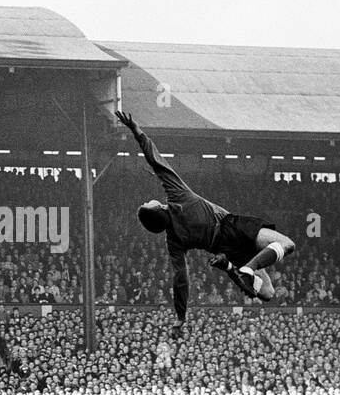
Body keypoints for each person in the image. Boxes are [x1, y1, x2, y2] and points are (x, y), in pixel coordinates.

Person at [115, 110, 296, 320]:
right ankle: (249, 267)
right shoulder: (178, 196)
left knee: (267, 293)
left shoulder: (173, 240)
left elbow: (181, 278)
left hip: (224, 250)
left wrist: (180, 316)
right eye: (148, 203)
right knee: (288, 244)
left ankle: (233, 268)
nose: (148, 200)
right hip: (231, 227)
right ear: (158, 208)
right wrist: (136, 131)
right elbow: (156, 160)